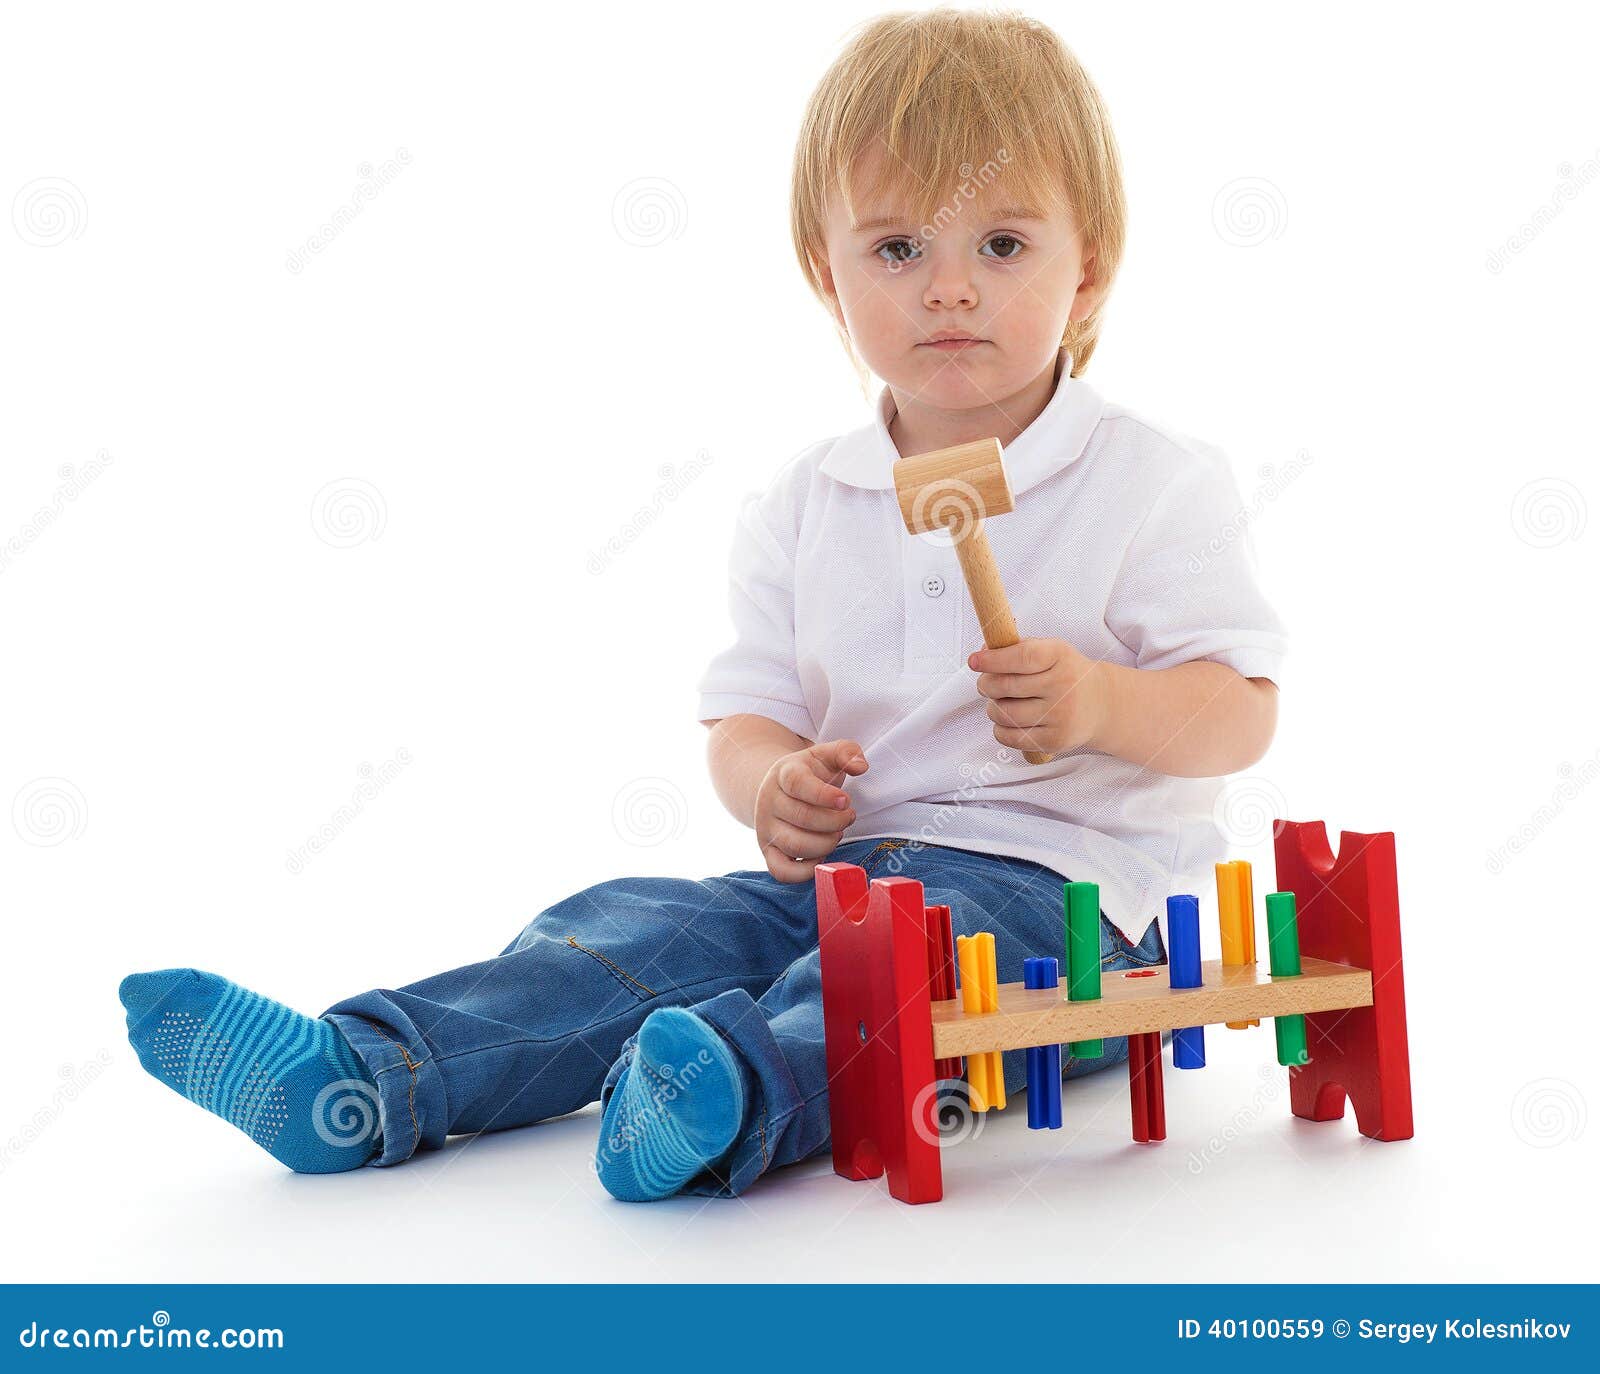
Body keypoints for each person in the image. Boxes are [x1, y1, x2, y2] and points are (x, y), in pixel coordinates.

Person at [119, 7, 1287, 1202]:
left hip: (1071, 906)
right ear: (822, 273)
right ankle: (370, 1074)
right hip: (839, 877)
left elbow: (1238, 710)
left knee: (886, 976)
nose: (947, 291)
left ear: (1087, 264)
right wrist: (770, 787)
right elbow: (746, 719)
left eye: (1000, 244)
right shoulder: (802, 504)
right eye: (894, 250)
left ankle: (718, 1099)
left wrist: (1099, 702)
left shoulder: (1150, 478)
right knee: (633, 928)